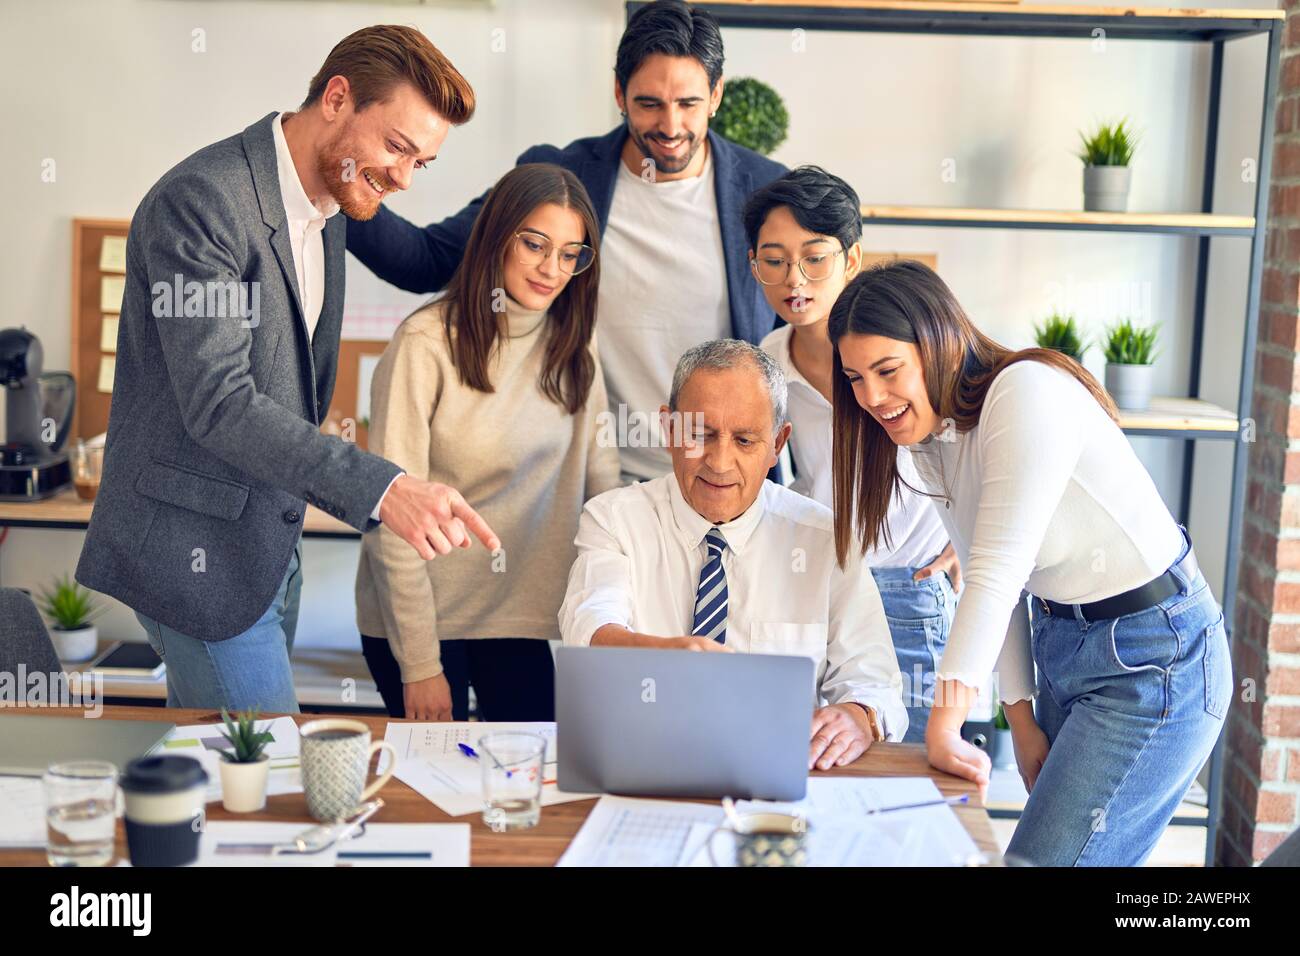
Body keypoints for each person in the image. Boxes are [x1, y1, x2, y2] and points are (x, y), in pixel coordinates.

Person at [76, 26, 499, 713]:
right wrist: (385, 487)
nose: (401, 177)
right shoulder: (204, 203)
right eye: (396, 146)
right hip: (196, 556)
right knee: (269, 774)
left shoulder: (331, 202)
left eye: (420, 162)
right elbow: (221, 403)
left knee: (225, 781)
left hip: (268, 549)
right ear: (336, 98)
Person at [829, 259, 1232, 865]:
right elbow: (990, 578)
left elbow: (996, 575)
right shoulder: (934, 439)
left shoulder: (1023, 392)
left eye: (888, 371)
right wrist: (1019, 718)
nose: (872, 398)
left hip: (1155, 658)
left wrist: (944, 726)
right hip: (1065, 646)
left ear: (938, 343)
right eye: (855, 378)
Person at [347, 1, 787, 481]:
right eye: (649, 103)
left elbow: (804, 332)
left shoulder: (765, 191)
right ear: (619, 93)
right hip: (597, 483)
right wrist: (336, 182)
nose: (670, 126)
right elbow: (426, 261)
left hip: (729, 480)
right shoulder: (565, 176)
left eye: (688, 104)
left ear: (716, 94)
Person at [560, 339, 907, 769]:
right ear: (669, 430)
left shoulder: (825, 540)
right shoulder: (613, 519)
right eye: (700, 435)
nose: (719, 462)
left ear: (778, 444)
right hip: (641, 763)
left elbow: (876, 682)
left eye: (745, 440)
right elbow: (588, 624)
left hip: (780, 778)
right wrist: (660, 655)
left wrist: (857, 716)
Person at [357, 164, 621, 722]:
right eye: (535, 245)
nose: (553, 269)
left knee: (534, 783)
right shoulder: (425, 343)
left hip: (516, 619)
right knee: (434, 795)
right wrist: (421, 664)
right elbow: (390, 514)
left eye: (571, 253)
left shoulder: (573, 343)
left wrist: (618, 615)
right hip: (421, 624)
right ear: (498, 235)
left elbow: (602, 481)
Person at [746, 166, 960, 742]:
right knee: (825, 768)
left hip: (909, 591)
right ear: (754, 266)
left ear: (852, 258)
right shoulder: (766, 363)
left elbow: (983, 430)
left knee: (914, 780)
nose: (795, 278)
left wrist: (973, 539)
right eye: (774, 259)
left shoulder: (907, 341)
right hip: (820, 591)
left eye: (815, 256)